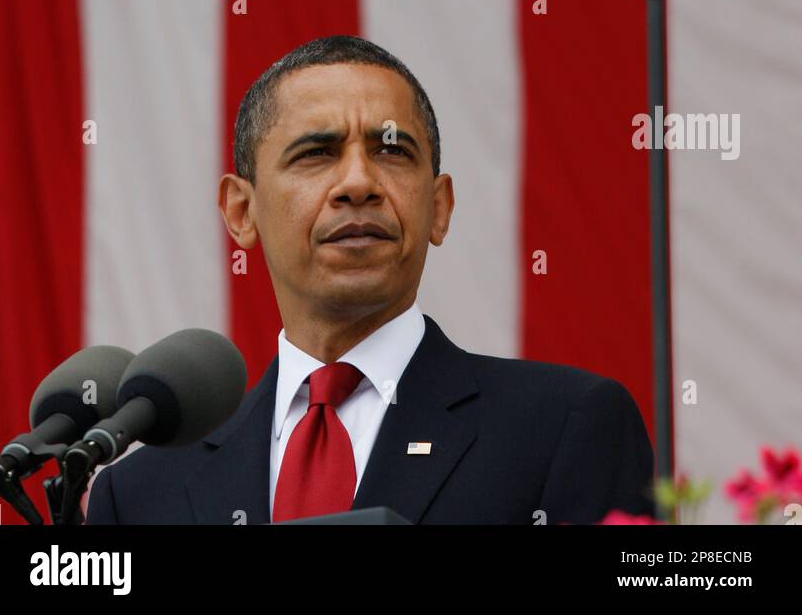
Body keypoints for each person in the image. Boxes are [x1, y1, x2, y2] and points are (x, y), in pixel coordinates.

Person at [86, 34, 655, 525]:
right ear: (240, 211)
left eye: (392, 151)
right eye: (316, 153)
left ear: (439, 208)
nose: (358, 182)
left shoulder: (564, 427)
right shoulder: (139, 492)